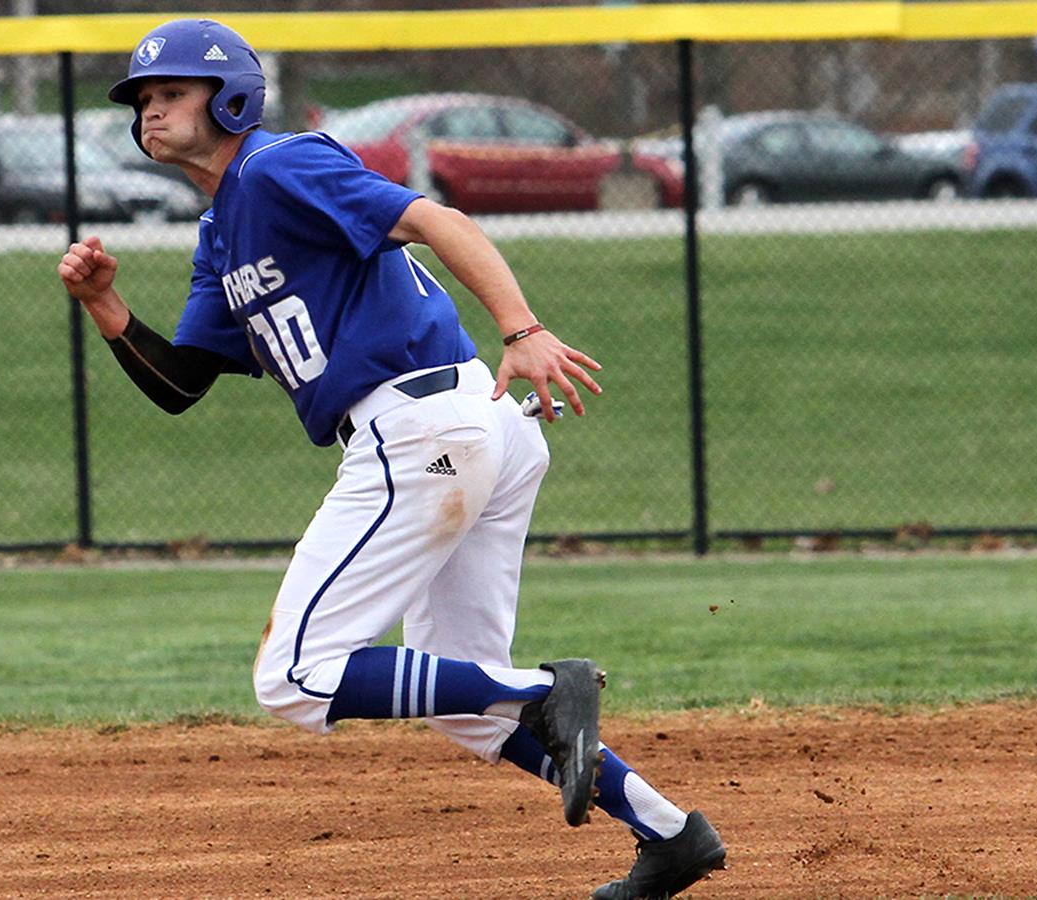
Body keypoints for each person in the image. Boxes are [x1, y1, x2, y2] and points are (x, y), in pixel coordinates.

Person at [56, 19, 725, 898]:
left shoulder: (279, 166)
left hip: (424, 428)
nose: (151, 111)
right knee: (463, 708)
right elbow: (182, 383)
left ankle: (541, 687)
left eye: (170, 92)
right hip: (463, 430)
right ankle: (671, 834)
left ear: (229, 98)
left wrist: (521, 328)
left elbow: (432, 216)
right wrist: (108, 307)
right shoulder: (224, 231)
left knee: (295, 676)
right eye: (142, 99)